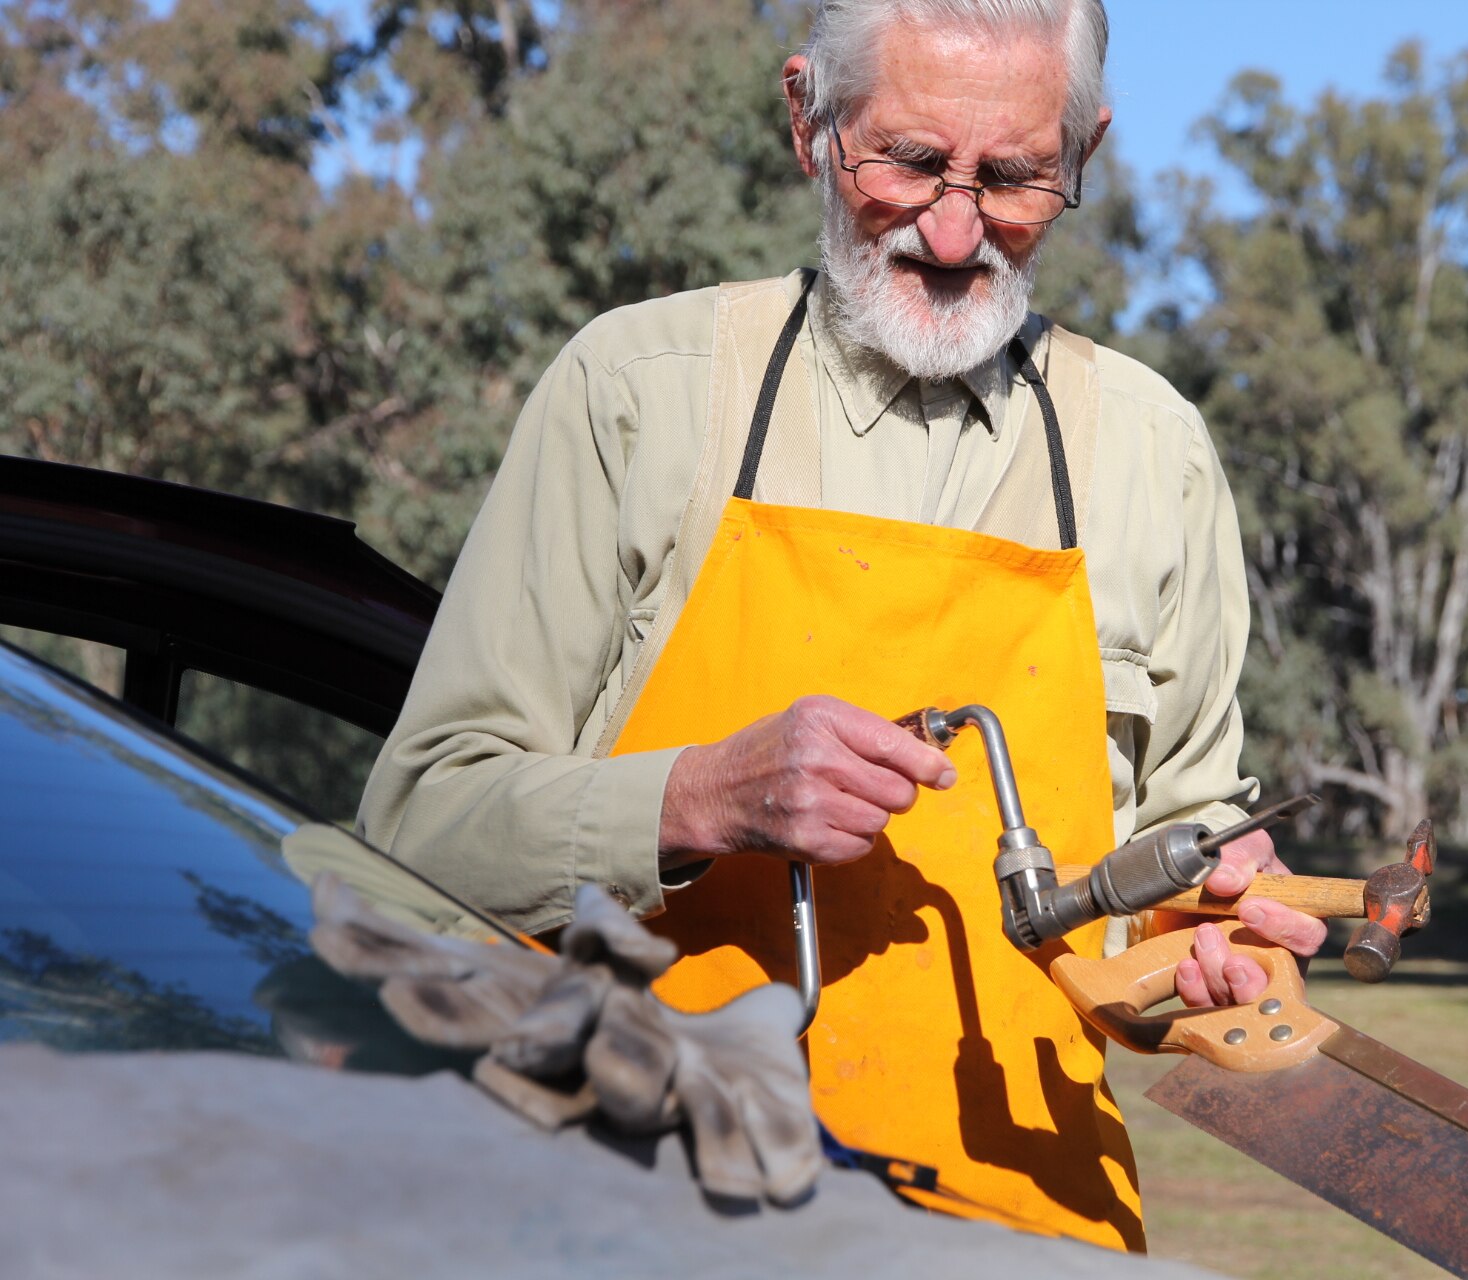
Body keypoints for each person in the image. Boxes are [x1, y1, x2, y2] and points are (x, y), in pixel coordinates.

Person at [359, 0, 1325, 1253]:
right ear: (808, 119)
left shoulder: (1155, 452)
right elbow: (416, 828)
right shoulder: (639, 395)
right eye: (912, 161)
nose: (957, 227)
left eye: (1019, 177)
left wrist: (1220, 938)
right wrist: (692, 799)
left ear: (1082, 153)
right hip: (638, 1210)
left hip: (1023, 1223)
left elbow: (1167, 871)